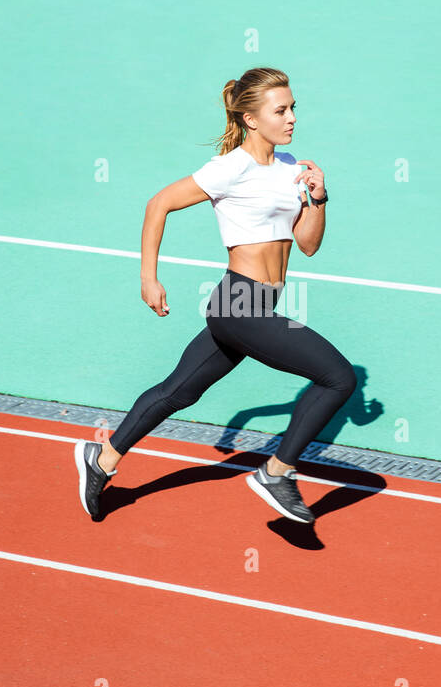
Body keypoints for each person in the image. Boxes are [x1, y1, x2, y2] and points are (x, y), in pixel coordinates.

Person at [74, 67, 357, 525]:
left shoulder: (290, 168)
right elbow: (158, 203)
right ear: (251, 118)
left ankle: (101, 458)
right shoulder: (230, 168)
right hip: (239, 302)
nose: (291, 119)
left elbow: (307, 244)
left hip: (257, 306)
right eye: (280, 111)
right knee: (338, 378)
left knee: (178, 391)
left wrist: (320, 200)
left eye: (293, 109)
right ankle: (277, 472)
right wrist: (150, 277)